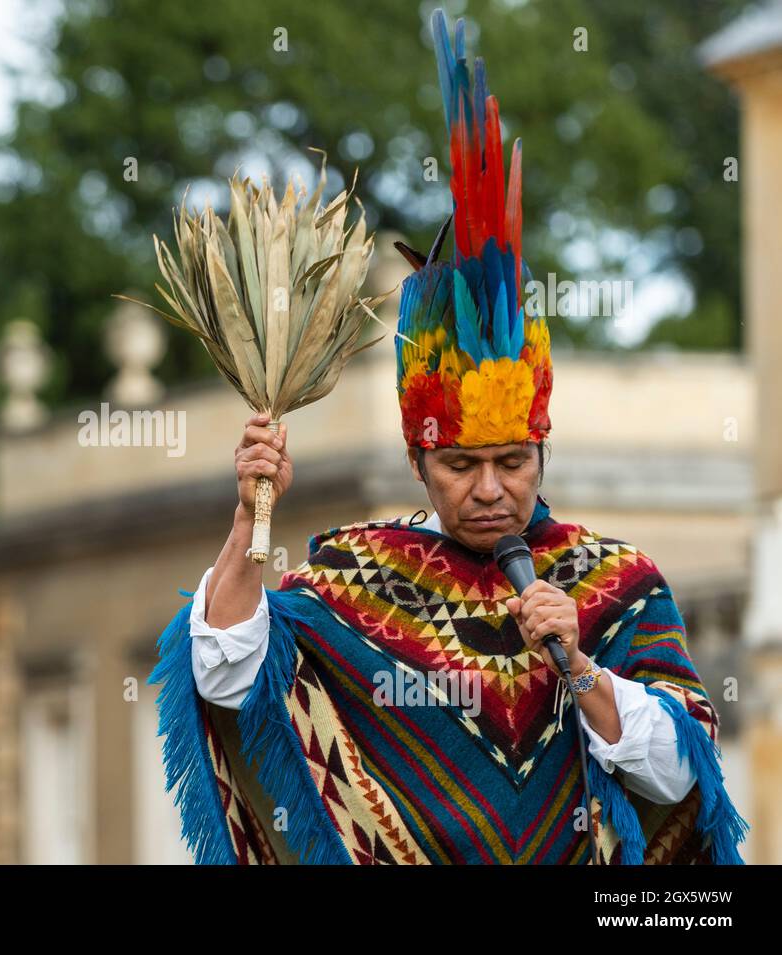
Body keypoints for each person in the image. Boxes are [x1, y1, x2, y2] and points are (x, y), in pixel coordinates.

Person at [149, 12, 747, 865]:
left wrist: (579, 663)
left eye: (512, 461)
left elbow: (681, 774)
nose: (492, 487)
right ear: (418, 462)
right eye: (461, 464)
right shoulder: (358, 574)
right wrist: (250, 523)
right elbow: (228, 673)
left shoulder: (617, 582)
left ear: (543, 451)